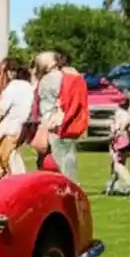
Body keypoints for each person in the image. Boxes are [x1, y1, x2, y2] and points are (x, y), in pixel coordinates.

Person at [30, 51, 80, 183]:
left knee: (56, 160)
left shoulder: (48, 79)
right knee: (67, 159)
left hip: (53, 124)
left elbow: (44, 106)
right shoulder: (67, 76)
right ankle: (71, 188)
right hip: (64, 122)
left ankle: (64, 190)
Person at [0, 58, 33, 175]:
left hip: (11, 126)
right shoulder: (28, 85)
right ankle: (20, 178)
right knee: (12, 155)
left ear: (10, 72)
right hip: (23, 126)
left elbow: (1, 110)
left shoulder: (13, 86)